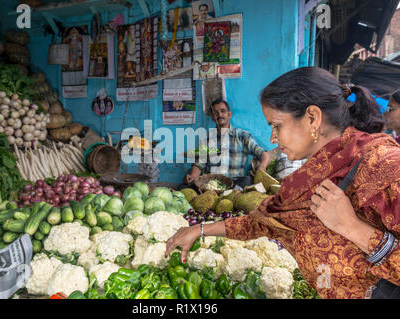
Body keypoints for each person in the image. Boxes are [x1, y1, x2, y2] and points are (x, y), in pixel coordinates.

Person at [168, 67, 400, 299]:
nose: (272, 138)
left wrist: (352, 227)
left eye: (276, 125)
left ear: (312, 118)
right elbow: (265, 223)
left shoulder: (384, 166)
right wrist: (199, 230)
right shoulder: (313, 175)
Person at [183, 99, 271, 185]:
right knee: (185, 187)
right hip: (211, 185)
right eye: (215, 113)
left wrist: (261, 168)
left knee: (247, 180)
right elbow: (200, 163)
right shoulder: (206, 138)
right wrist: (193, 176)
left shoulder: (242, 136)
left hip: (235, 184)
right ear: (213, 117)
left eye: (223, 111)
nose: (219, 115)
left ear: (229, 114)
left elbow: (264, 154)